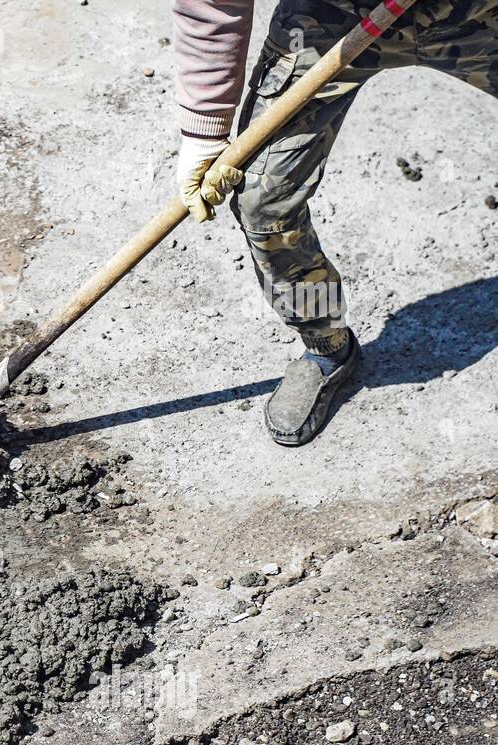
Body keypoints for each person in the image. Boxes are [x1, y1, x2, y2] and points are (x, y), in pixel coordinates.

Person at [172, 0, 498, 445]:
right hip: (331, 17)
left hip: (478, 14)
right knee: (263, 201)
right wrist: (206, 125)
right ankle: (327, 349)